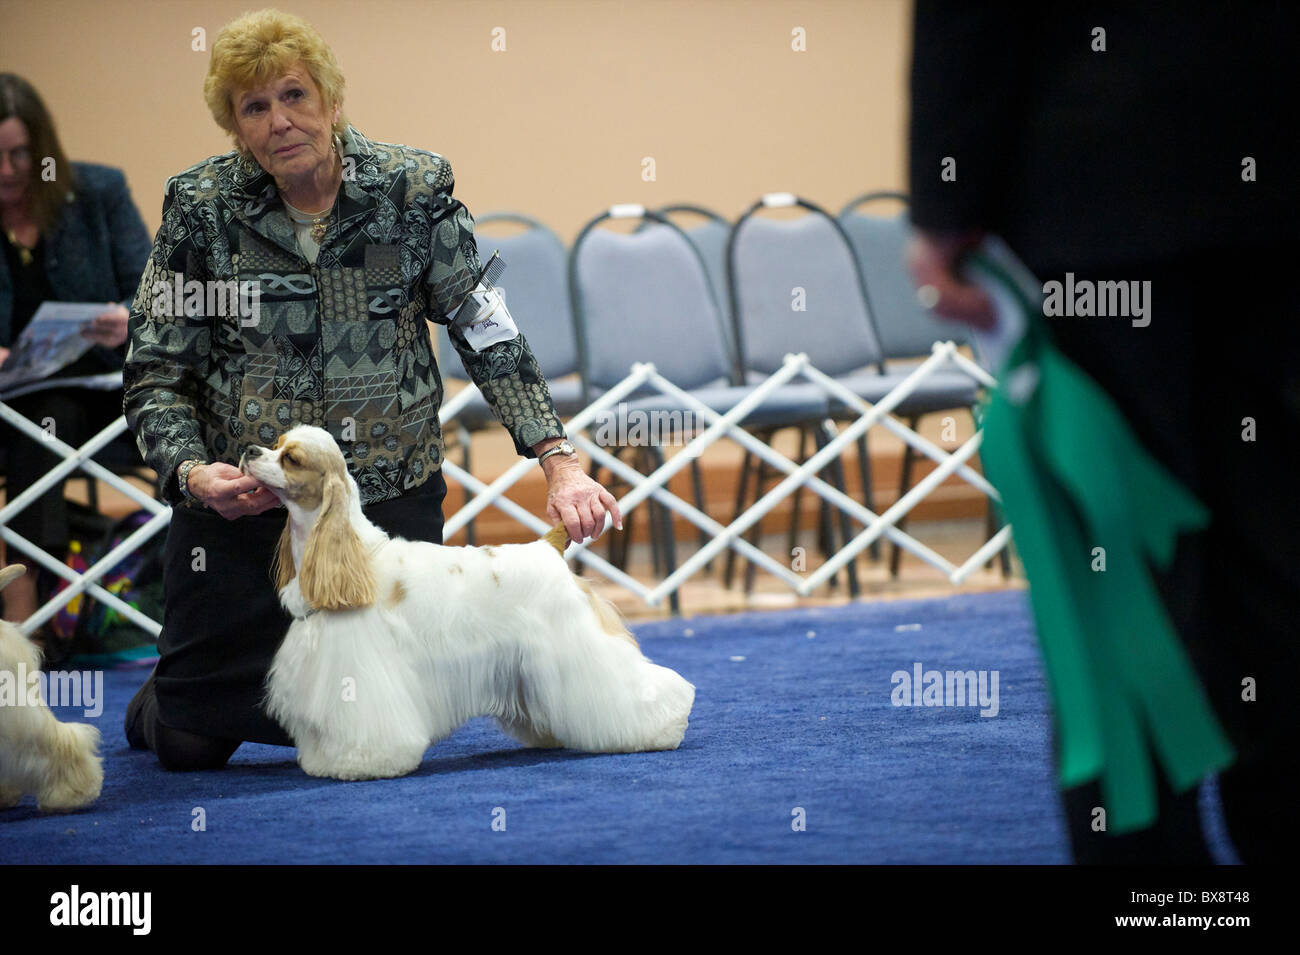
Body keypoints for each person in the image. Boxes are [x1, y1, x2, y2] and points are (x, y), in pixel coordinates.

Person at [122, 9, 622, 771]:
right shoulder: (200, 208)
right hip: (244, 515)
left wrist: (559, 460)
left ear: (331, 98)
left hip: (386, 510)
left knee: (370, 718)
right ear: (236, 128)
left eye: (294, 95)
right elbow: (155, 371)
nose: (280, 121)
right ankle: (170, 690)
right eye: (254, 107)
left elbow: (486, 330)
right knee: (190, 745)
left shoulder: (413, 190)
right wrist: (193, 474)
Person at [905, 3, 1295, 863]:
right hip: (1272, 189)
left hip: (1105, 194)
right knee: (1276, 546)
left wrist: (944, 196)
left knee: (1119, 563)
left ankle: (1155, 893)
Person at [0, 73, 152, 634]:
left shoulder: (97, 193)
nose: (7, 170)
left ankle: (35, 609)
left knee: (56, 416)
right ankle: (30, 613)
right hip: (16, 412)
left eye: (20, 154)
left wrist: (127, 318)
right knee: (44, 418)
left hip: (109, 398)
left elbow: (156, 295)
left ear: (44, 150)